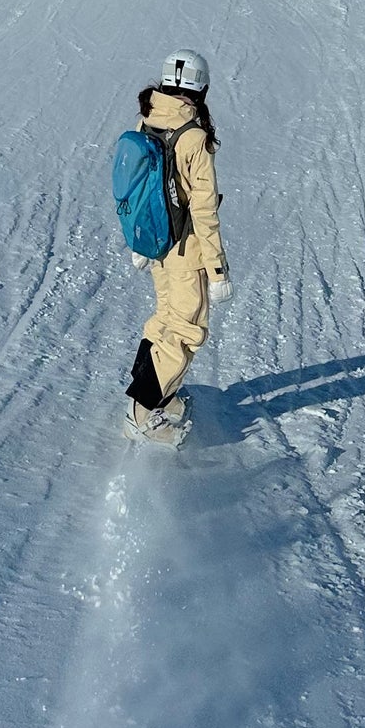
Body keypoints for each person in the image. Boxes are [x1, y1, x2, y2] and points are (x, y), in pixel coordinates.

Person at [125, 50, 230, 444]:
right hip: (187, 250)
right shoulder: (193, 137)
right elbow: (203, 209)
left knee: (166, 319)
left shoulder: (148, 119)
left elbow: (136, 187)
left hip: (158, 244)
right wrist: (217, 270)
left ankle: (161, 396)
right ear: (200, 88)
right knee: (185, 331)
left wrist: (140, 241)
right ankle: (142, 413)